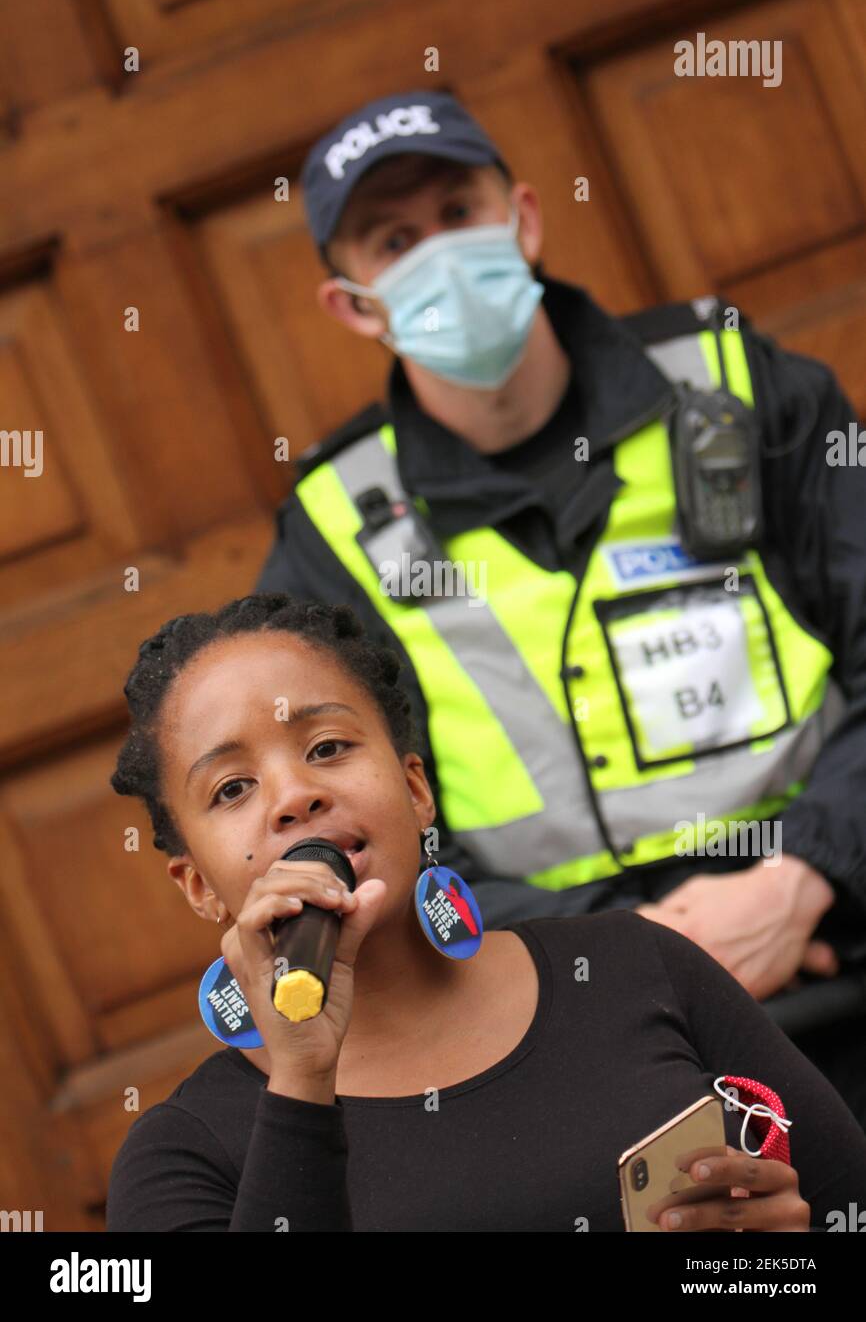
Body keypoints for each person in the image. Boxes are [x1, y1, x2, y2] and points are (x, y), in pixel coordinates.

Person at [254, 90, 866, 1123]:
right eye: (395, 241)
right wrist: (632, 950)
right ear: (355, 304)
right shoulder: (334, 534)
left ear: (523, 220)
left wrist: (802, 871)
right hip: (591, 1036)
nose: (441, 255)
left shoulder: (738, 387)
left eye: (459, 214)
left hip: (840, 934)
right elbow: (360, 846)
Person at [105, 592, 866, 1232]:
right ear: (198, 885)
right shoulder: (186, 1156)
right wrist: (303, 1075)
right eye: (232, 789)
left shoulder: (639, 965)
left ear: (415, 791)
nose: (294, 796)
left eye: (330, 746)